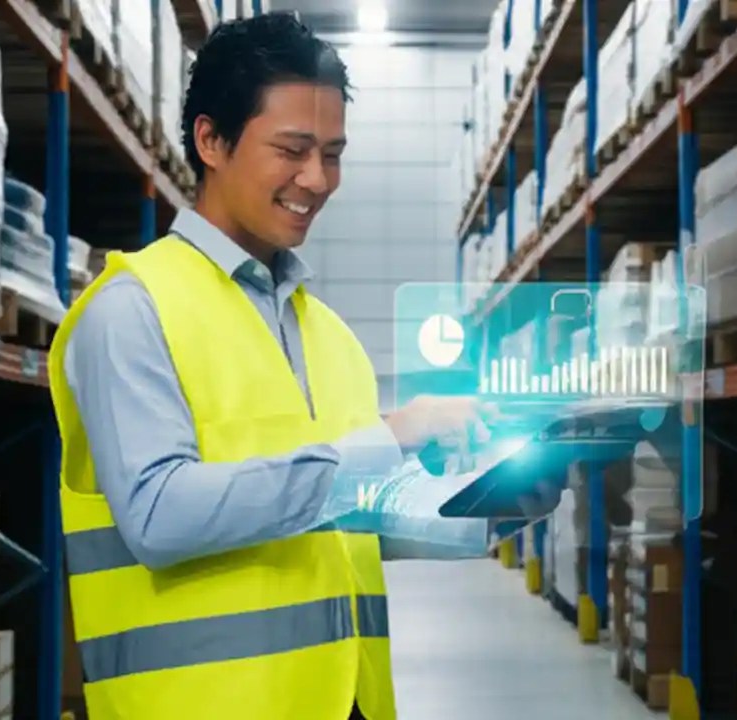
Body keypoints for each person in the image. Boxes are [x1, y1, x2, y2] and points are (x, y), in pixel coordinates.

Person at [47, 12, 558, 720]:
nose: (316, 179)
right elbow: (159, 516)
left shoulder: (329, 336)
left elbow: (341, 516)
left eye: (333, 153)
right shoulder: (131, 311)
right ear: (211, 141)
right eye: (292, 149)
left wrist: (496, 509)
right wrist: (392, 436)